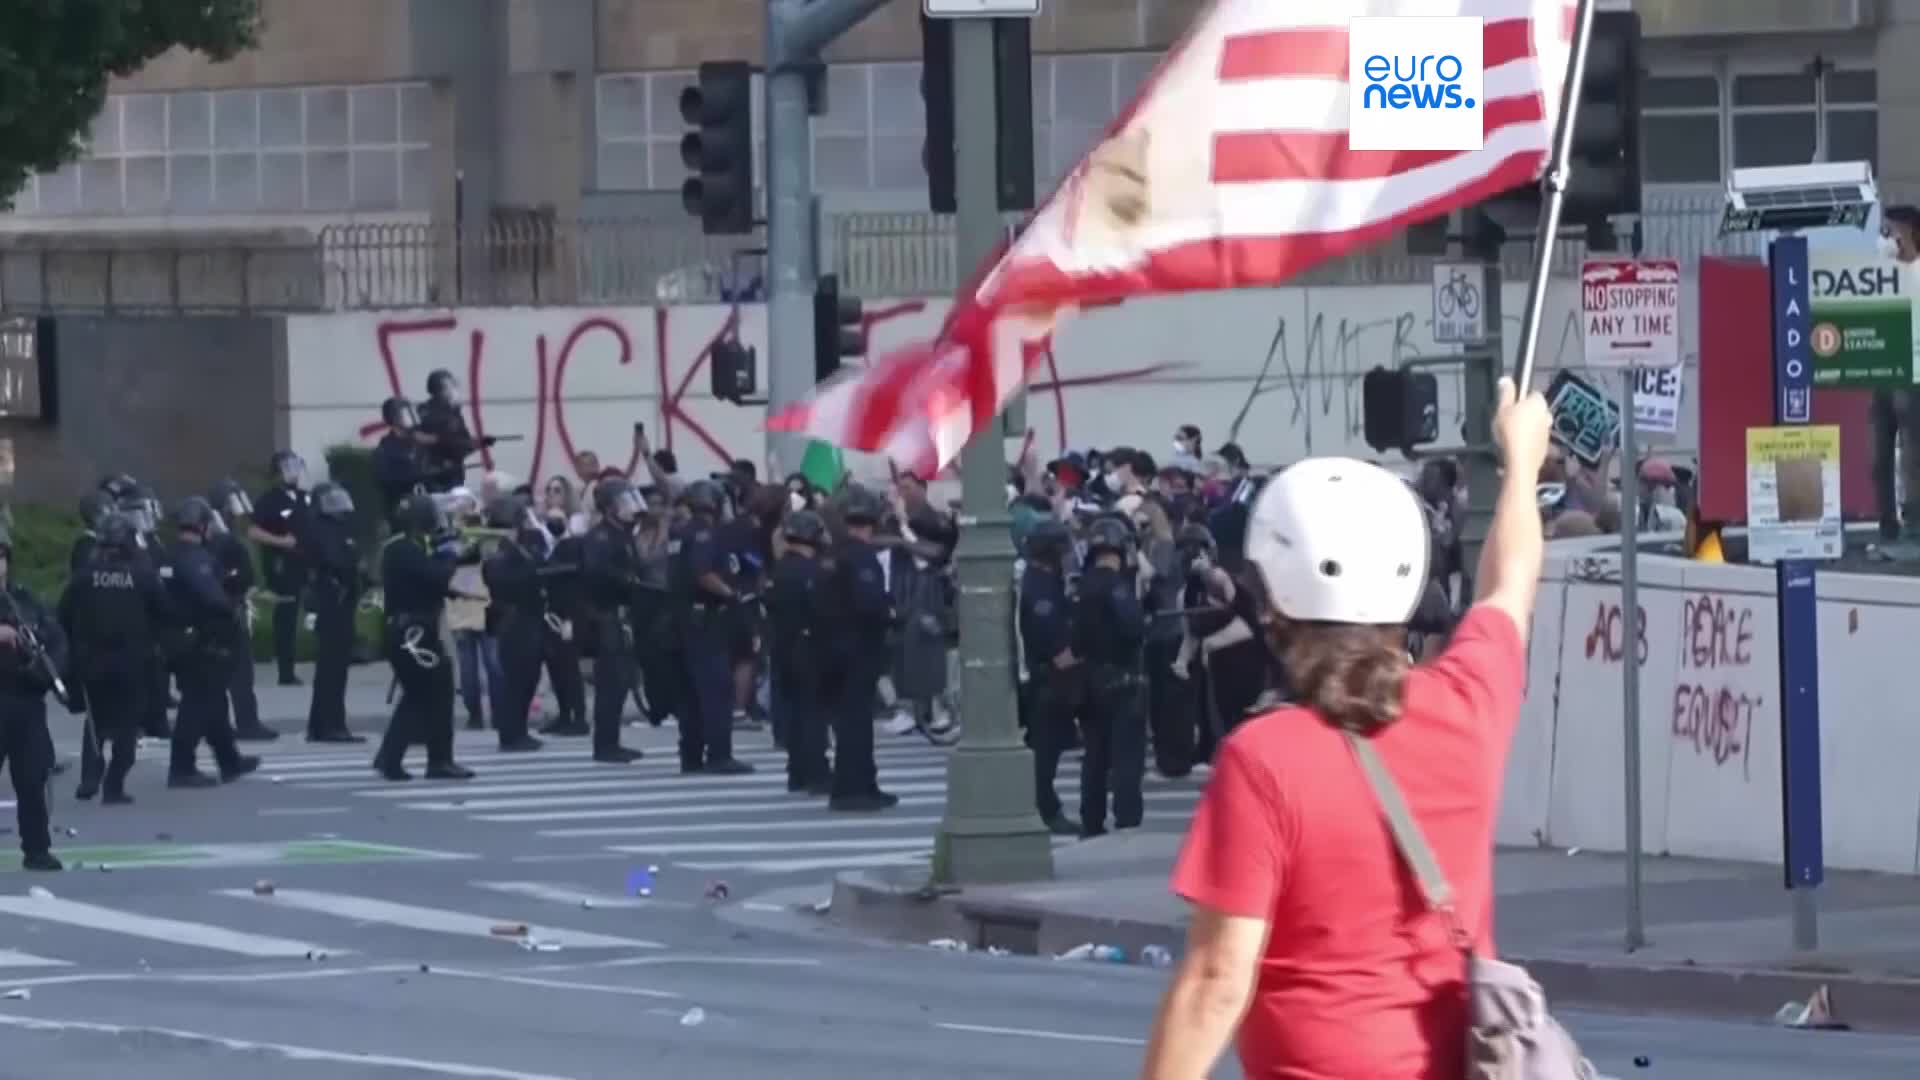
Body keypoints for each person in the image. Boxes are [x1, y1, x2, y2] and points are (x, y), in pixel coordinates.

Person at [1140, 377, 1550, 1080]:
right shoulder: (1467, 706)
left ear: (1273, 606)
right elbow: (1509, 586)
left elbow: (1216, 984)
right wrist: (1523, 466)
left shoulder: (1263, 759)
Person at [65, 510, 167, 804]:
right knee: (127, 725)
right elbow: (165, 612)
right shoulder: (143, 575)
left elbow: (63, 615)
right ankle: (113, 785)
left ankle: (89, 776)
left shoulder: (84, 577)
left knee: (94, 720)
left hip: (91, 662)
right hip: (131, 663)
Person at [374, 494, 477, 782]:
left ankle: (391, 757)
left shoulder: (409, 547)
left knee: (420, 696)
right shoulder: (404, 550)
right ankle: (438, 761)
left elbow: (446, 585)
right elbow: (437, 577)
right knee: (432, 693)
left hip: (416, 631)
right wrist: (452, 554)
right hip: (413, 633)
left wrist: (465, 561)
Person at [164, 498, 263, 789]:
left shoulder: (171, 555)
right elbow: (213, 599)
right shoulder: (196, 558)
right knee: (197, 704)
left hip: (180, 639)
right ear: (203, 526)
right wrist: (231, 604)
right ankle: (181, 767)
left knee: (214, 702)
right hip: (201, 642)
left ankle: (229, 760)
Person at [1071, 514, 1149, 838]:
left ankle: (1092, 819)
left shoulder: (1081, 586)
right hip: (1121, 680)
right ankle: (1127, 819)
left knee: (1095, 755)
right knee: (1126, 757)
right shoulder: (1117, 587)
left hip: (1089, 680)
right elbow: (1132, 628)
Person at [821, 486, 896, 812]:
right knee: (855, 723)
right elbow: (869, 604)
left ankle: (861, 783)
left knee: (851, 721)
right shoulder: (861, 557)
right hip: (857, 650)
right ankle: (853, 789)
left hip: (836, 647)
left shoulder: (835, 555)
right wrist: (890, 610)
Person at [668, 479, 751, 774]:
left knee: (690, 692)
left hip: (680, 620)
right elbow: (703, 573)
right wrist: (731, 594)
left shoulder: (679, 533)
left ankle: (690, 756)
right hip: (704, 620)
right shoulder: (705, 534)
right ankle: (719, 754)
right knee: (717, 689)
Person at [0, 521, 67, 871]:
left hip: (26, 700)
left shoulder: (23, 599)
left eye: (1, 556)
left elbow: (55, 639)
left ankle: (37, 848)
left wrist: (45, 669)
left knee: (33, 776)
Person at [577, 478, 649, 764]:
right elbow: (598, 575)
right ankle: (605, 745)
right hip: (607, 617)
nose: (631, 509)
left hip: (622, 617)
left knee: (621, 682)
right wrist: (628, 582)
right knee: (611, 682)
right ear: (608, 508)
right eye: (624, 503)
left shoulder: (623, 534)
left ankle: (612, 741)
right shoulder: (601, 538)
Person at [1017, 517, 1079, 836]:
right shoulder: (1040, 590)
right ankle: (1044, 807)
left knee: (1045, 749)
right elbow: (1057, 649)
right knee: (1045, 751)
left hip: (1046, 679)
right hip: (1047, 682)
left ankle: (1044, 803)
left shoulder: (1045, 581)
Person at [207, 479, 278, 742]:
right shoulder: (223, 542)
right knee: (239, 672)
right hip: (230, 607)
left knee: (230, 672)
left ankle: (231, 724)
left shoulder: (218, 539)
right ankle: (246, 723)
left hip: (230, 605)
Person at [769, 508, 830, 794]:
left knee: (795, 712)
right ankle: (817, 772)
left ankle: (797, 771)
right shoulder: (812, 572)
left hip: (784, 647)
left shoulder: (780, 569)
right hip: (809, 647)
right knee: (814, 713)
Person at [481, 496, 547, 753]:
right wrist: (531, 572)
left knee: (528, 676)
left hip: (528, 615)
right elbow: (499, 579)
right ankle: (511, 733)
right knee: (516, 679)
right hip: (512, 617)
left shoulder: (521, 546)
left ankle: (518, 729)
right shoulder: (497, 548)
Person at [303, 483, 366, 744]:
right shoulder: (324, 529)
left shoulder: (335, 528)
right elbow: (337, 561)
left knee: (331, 668)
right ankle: (331, 725)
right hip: (332, 603)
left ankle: (321, 725)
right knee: (333, 669)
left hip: (337, 602)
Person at [249, 450, 310, 687]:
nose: (293, 473)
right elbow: (253, 531)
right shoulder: (270, 499)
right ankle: (286, 672)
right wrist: (281, 542)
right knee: (286, 616)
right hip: (283, 565)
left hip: (307, 563)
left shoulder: (305, 497)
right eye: (288, 468)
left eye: (296, 467)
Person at [372, 396, 428, 525]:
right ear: (394, 418)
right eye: (405, 413)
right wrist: (414, 476)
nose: (410, 417)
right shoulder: (385, 449)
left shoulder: (419, 443)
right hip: (402, 510)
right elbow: (385, 481)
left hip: (426, 507)